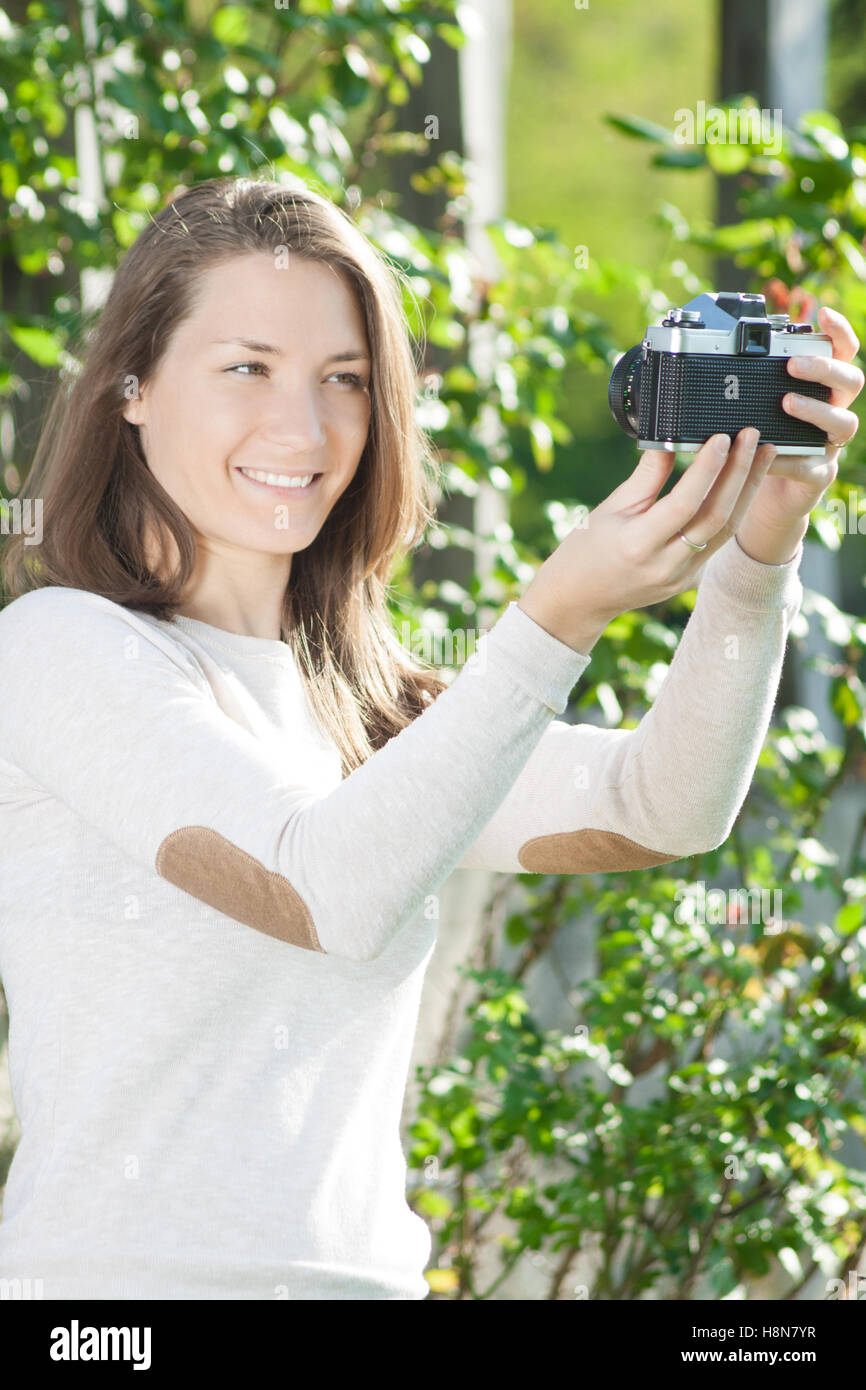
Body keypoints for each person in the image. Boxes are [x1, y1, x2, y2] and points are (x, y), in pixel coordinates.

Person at [0, 174, 861, 1300]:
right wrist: (556, 615)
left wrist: (757, 555)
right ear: (133, 385)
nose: (302, 427)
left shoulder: (364, 711)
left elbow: (665, 806)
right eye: (246, 367)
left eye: (343, 380)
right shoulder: (56, 651)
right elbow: (323, 890)